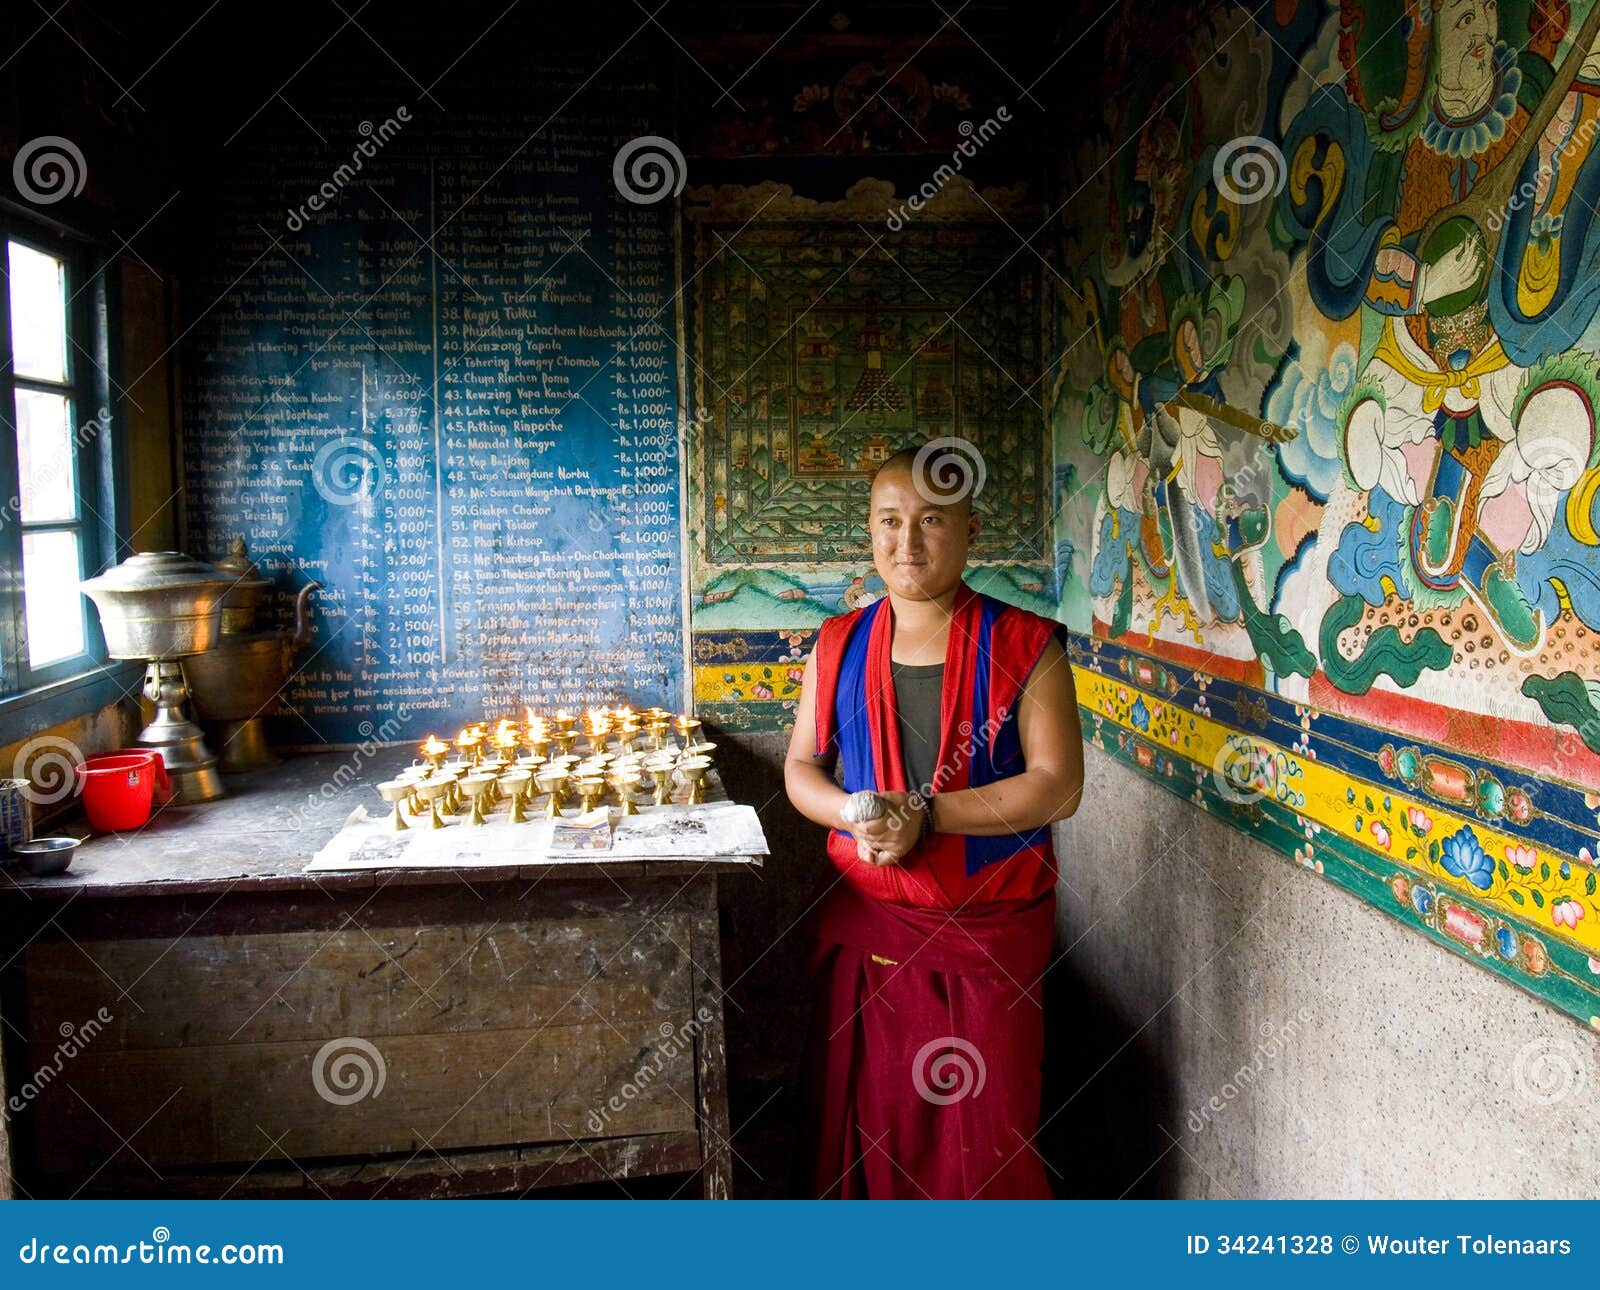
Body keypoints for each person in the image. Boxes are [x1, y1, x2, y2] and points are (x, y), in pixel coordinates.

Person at [784, 444, 1084, 1199]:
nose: (906, 542)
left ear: (971, 530)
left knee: (985, 1141)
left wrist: (926, 814)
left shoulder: (1026, 646)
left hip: (988, 936)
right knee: (874, 1124)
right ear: (869, 529)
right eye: (889, 521)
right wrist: (856, 814)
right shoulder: (838, 644)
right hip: (876, 930)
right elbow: (800, 771)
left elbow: (1059, 786)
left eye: (931, 521)